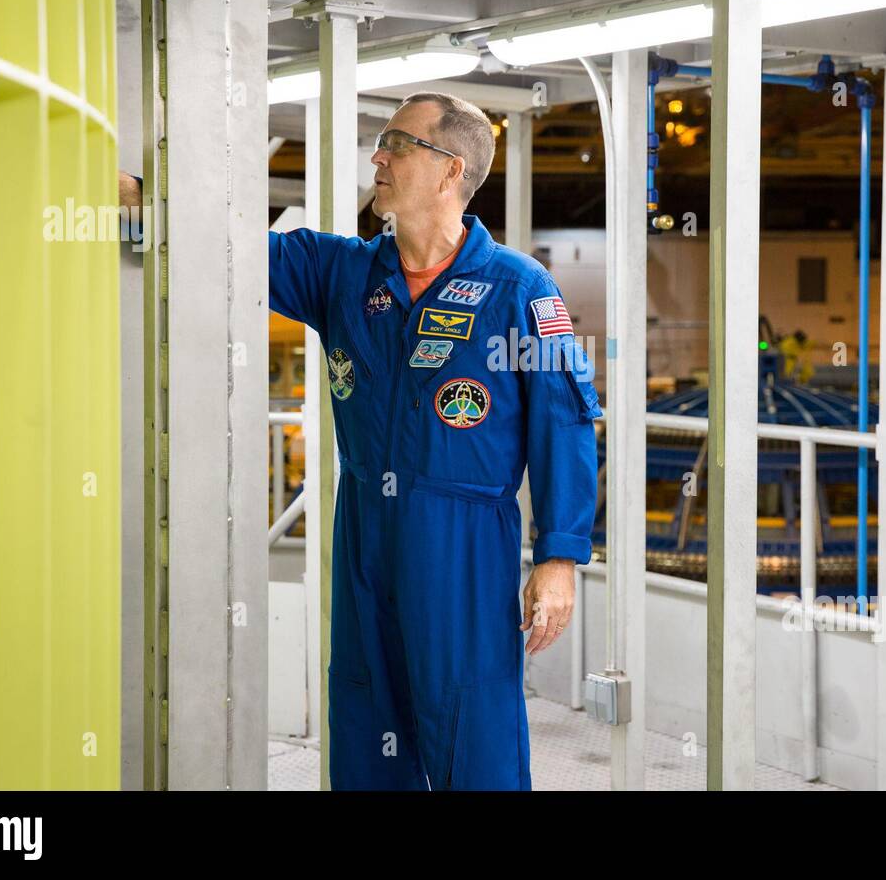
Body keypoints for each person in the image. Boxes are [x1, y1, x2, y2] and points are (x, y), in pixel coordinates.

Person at [119, 91, 600, 790]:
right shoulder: (343, 272)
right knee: (366, 716)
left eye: (398, 144)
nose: (378, 156)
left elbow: (564, 422)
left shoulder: (519, 290)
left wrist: (559, 557)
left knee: (473, 727)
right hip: (365, 531)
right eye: (382, 142)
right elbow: (223, 245)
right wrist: (130, 193)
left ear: (449, 170)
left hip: (463, 539)